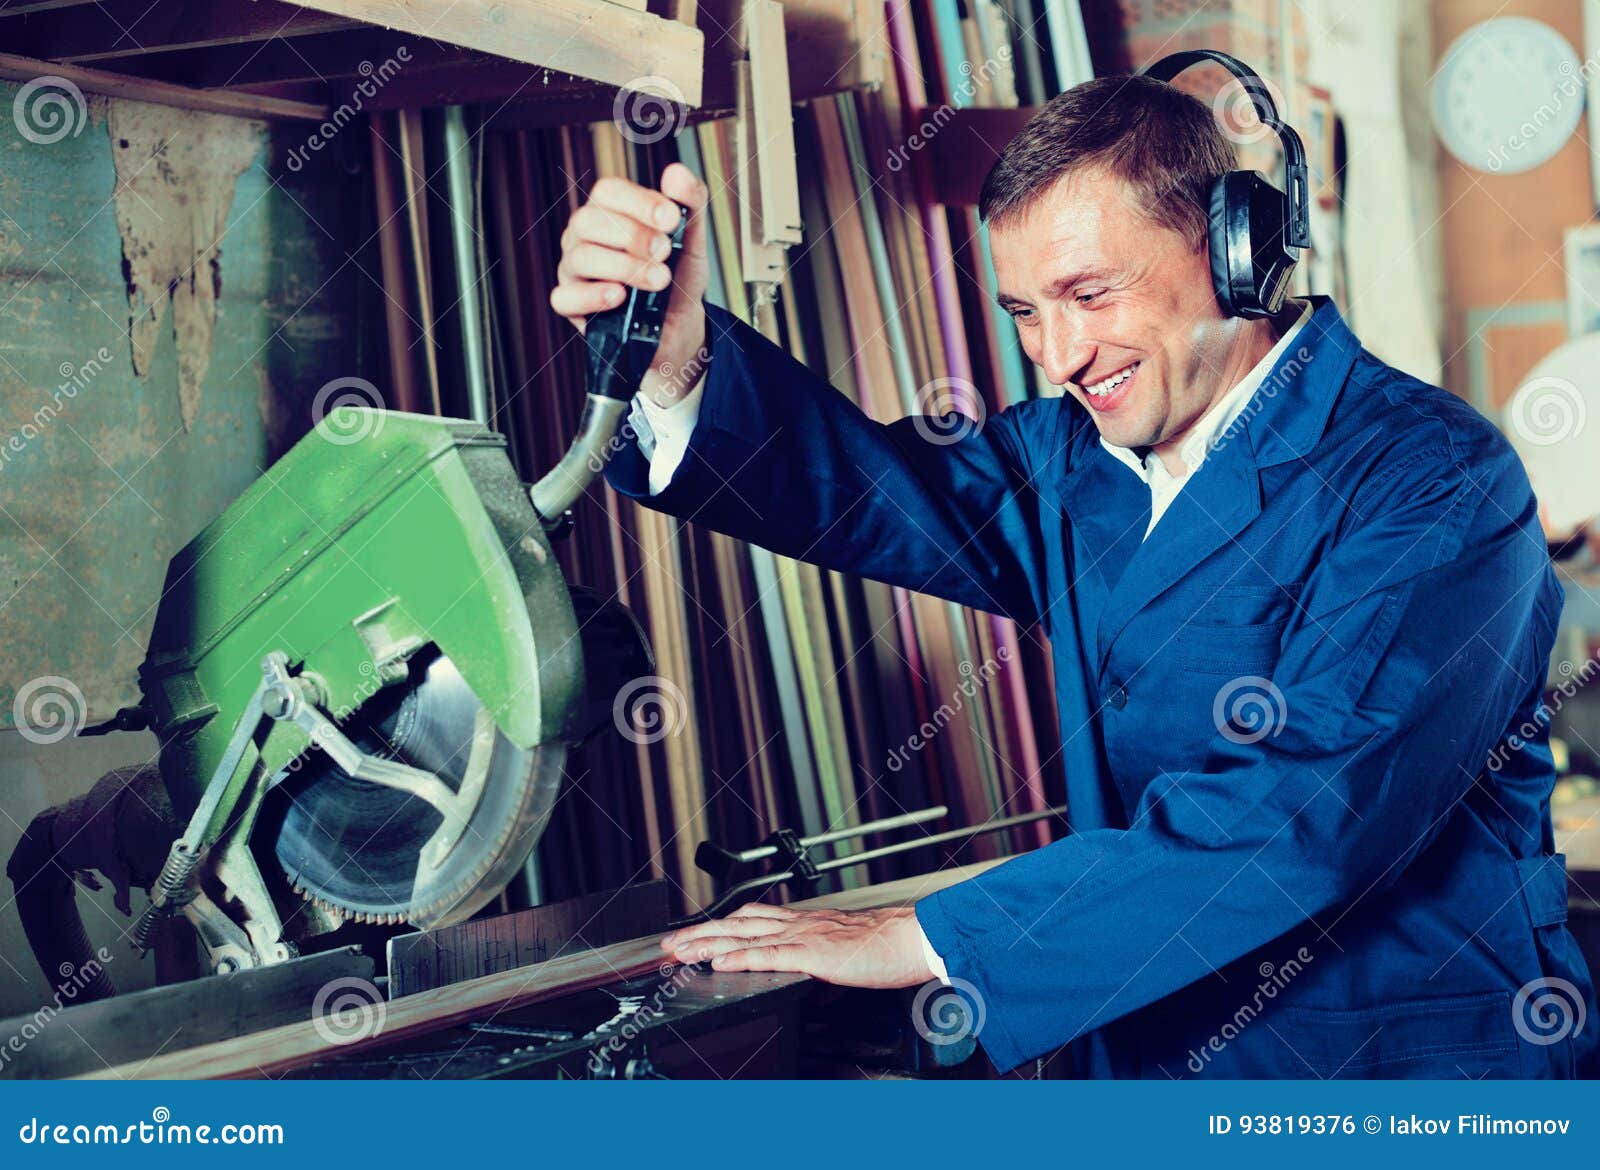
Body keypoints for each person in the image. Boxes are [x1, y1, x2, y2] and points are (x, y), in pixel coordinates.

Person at [549, 71, 1596, 1078]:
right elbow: (863, 491)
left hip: (1385, 1071)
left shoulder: (1432, 475)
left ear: (1235, 247)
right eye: (1022, 312)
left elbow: (1308, 811)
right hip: (1145, 1054)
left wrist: (927, 937)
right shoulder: (1068, 459)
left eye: (1088, 294)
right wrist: (679, 363)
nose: (1057, 355)